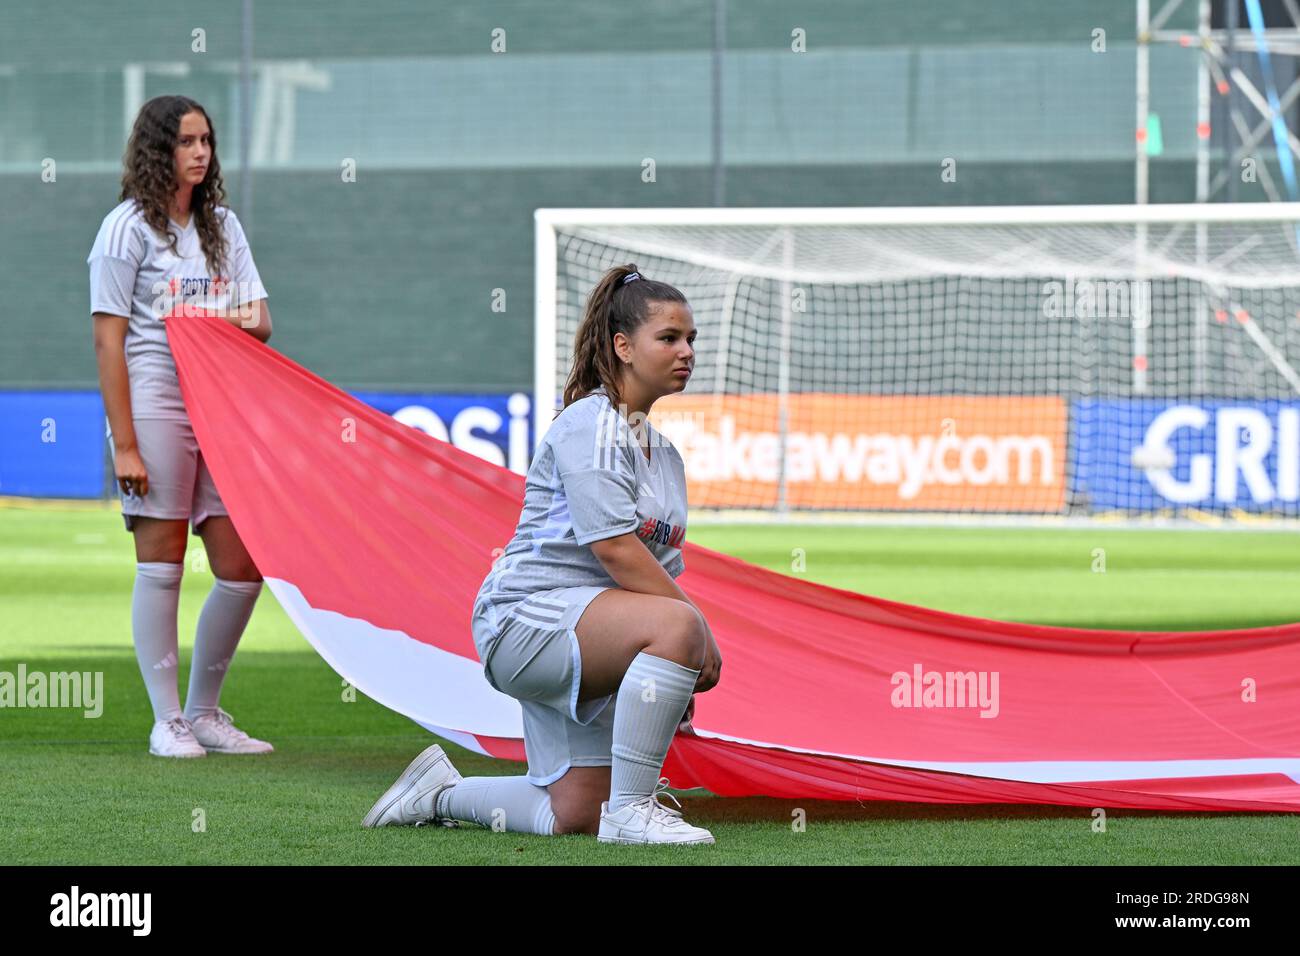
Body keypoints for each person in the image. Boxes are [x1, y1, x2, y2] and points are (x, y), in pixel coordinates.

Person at [364, 264, 722, 844]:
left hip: (589, 630)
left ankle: (436, 793)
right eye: (669, 338)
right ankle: (633, 812)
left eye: (690, 339)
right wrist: (691, 635)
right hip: (524, 619)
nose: (686, 352)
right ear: (623, 347)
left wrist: (672, 667)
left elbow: (656, 574)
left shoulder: (666, 456)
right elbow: (615, 548)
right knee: (679, 624)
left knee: (576, 812)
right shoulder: (592, 424)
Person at [89, 95, 274, 758]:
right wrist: (126, 445)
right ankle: (167, 721)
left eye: (206, 141)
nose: (200, 152)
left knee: (242, 566)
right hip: (155, 403)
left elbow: (260, 320)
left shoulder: (222, 225)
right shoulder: (124, 230)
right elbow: (109, 342)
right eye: (186, 141)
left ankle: (204, 712)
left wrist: (201, 322)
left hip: (220, 409)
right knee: (162, 560)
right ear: (156, 149)